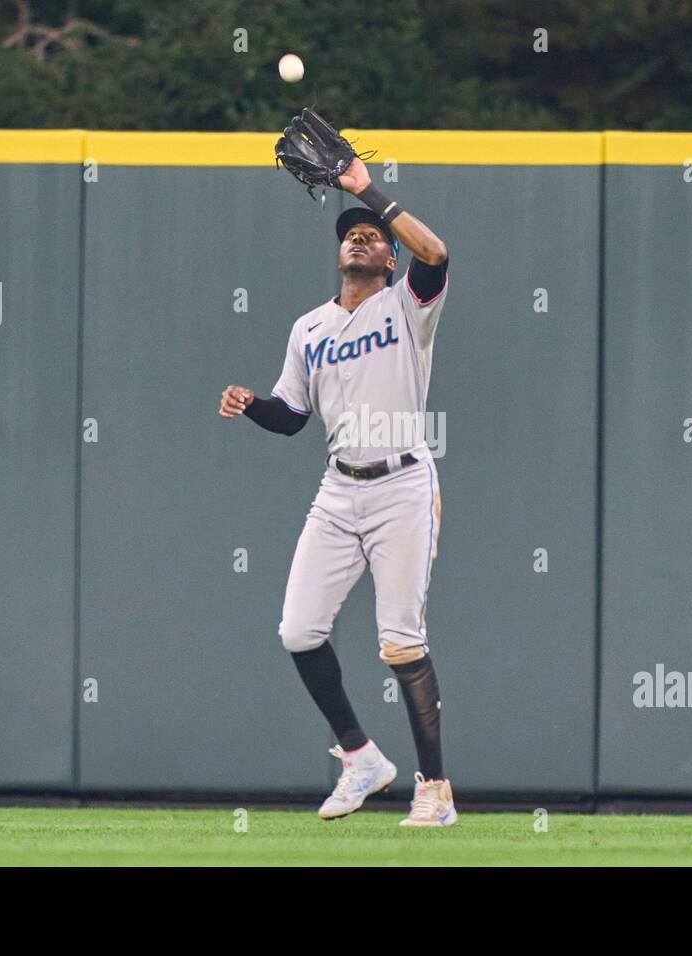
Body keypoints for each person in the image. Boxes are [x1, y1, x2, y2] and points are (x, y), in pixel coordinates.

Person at [218, 157, 455, 826]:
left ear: (389, 258)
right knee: (298, 631)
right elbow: (293, 417)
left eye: (371, 235)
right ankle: (361, 757)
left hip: (402, 484)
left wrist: (367, 192)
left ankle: (435, 789)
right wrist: (253, 405)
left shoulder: (407, 306)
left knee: (400, 642)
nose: (359, 237)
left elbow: (436, 253)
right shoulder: (309, 328)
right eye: (350, 233)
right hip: (338, 489)